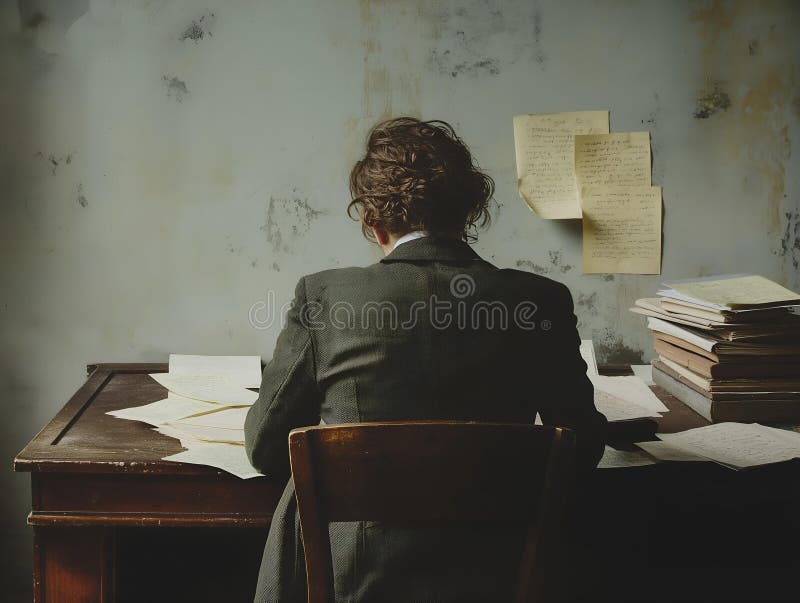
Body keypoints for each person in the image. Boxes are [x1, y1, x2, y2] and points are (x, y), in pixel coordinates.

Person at [244, 117, 607, 602]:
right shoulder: (540, 300)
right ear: (467, 211)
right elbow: (582, 449)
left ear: (373, 223)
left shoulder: (324, 296)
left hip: (353, 579)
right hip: (498, 575)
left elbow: (266, 449)